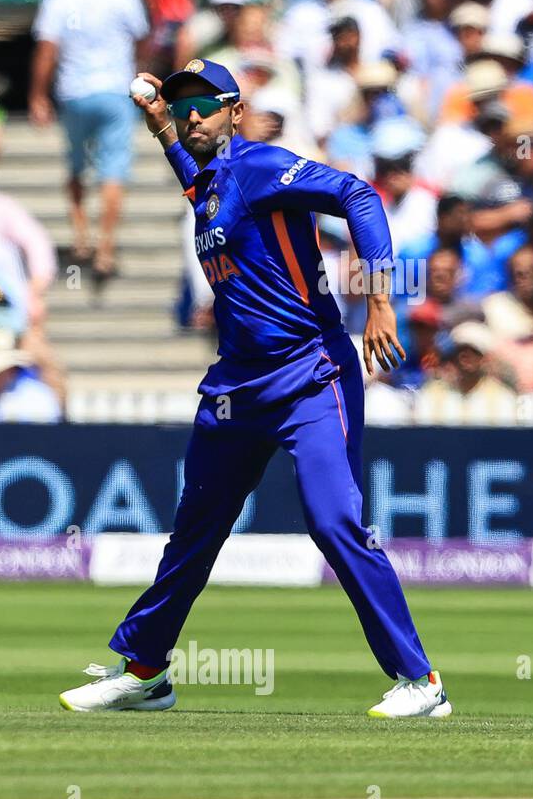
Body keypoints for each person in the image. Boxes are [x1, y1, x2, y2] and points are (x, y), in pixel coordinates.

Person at [59, 60, 450, 719]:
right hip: (236, 386)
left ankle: (421, 682)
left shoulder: (262, 166)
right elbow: (197, 179)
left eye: (204, 106)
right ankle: (146, 673)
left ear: (235, 111)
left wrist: (379, 298)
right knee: (194, 531)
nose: (191, 116)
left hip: (309, 374)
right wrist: (160, 129)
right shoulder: (207, 182)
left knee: (334, 522)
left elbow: (359, 195)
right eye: (183, 107)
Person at [29, 0, 149, 288]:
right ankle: (105, 246)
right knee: (114, 170)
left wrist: (37, 95)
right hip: (115, 90)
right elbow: (142, 42)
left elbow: (47, 50)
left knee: (76, 165)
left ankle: (81, 235)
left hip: (75, 93)